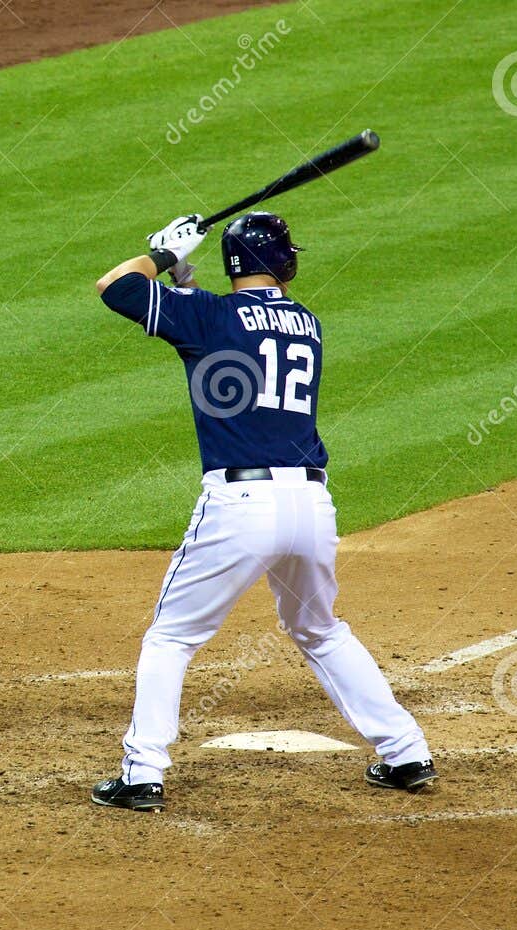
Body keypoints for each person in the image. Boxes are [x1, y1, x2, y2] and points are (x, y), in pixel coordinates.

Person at [89, 213, 437, 812]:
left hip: (239, 506)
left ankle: (143, 773)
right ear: (284, 263)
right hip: (311, 503)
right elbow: (250, 332)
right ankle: (406, 752)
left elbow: (115, 287)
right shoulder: (307, 324)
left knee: (170, 636)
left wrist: (164, 257)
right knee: (322, 630)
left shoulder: (210, 318)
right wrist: (188, 296)